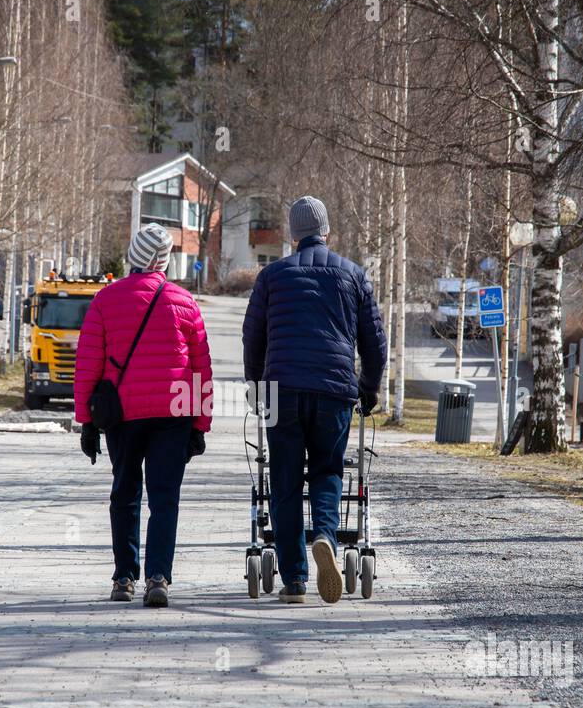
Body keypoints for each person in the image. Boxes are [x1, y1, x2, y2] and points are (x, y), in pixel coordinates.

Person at [242, 196, 387, 605]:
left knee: (284, 481)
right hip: (334, 391)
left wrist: (255, 385)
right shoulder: (353, 275)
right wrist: (369, 387)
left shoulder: (271, 276)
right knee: (327, 470)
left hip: (282, 392)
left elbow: (253, 337)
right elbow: (374, 342)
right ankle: (325, 536)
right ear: (327, 232)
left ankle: (295, 581)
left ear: (292, 235)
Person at [74, 223, 212, 607]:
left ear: (134, 256)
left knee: (125, 494)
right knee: (165, 497)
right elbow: (201, 367)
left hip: (123, 416)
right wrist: (200, 424)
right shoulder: (184, 301)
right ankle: (158, 578)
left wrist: (87, 422)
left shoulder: (106, 300)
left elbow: (89, 364)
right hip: (174, 413)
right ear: (165, 261)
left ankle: (123, 578)